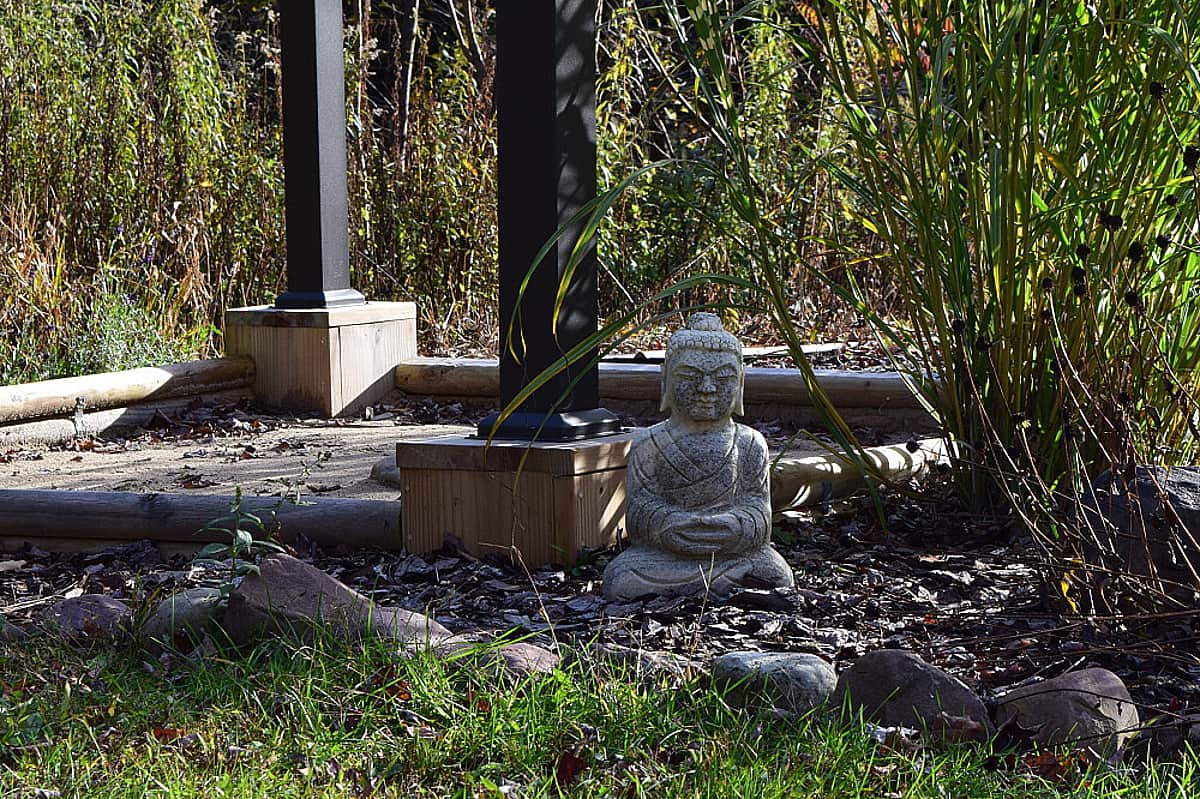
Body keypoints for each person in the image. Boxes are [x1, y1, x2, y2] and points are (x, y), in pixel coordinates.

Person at [602, 313, 795, 600]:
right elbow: (640, 511)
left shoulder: (750, 443)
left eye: (723, 378)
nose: (707, 389)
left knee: (774, 573)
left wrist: (734, 526)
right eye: (690, 377)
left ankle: (703, 586)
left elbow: (758, 511)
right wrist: (673, 524)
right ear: (666, 380)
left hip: (732, 553)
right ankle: (718, 587)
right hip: (664, 556)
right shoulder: (649, 443)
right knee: (622, 578)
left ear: (740, 383)